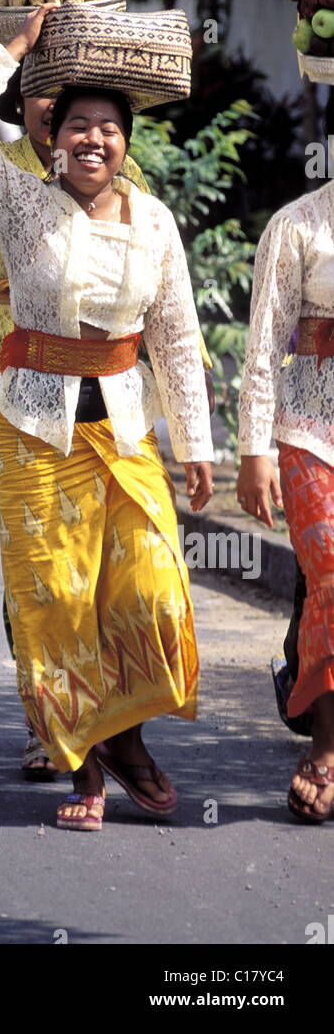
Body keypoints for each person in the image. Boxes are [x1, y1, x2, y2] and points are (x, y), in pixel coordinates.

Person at [0, 0, 207, 782]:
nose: (91, 139)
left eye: (107, 127)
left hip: (123, 431)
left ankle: (125, 733)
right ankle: (82, 761)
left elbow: (172, 336)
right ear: (50, 140)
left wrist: (198, 446)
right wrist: (12, 49)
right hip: (33, 424)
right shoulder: (22, 201)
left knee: (153, 592)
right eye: (75, 126)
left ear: (126, 142)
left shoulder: (154, 220)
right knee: (55, 599)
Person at [236, 179, 334, 822]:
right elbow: (266, 344)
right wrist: (253, 450)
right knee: (330, 567)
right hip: (308, 428)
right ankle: (327, 746)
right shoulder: (298, 224)